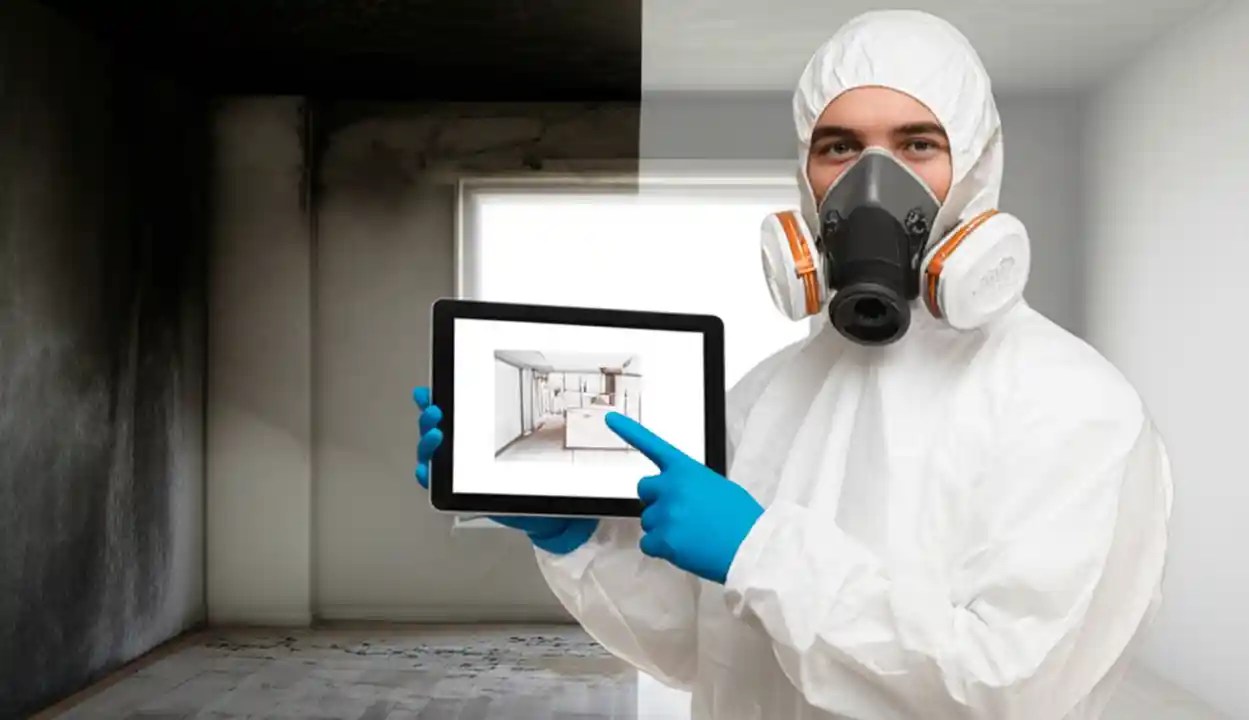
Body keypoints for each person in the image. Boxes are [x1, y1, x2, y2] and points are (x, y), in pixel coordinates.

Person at [414, 9, 1173, 719]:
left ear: (975, 169)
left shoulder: (1072, 403)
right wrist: (575, 540)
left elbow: (1009, 684)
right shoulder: (769, 395)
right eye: (840, 147)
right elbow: (704, 647)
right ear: (805, 177)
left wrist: (761, 551)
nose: (872, 186)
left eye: (918, 144)